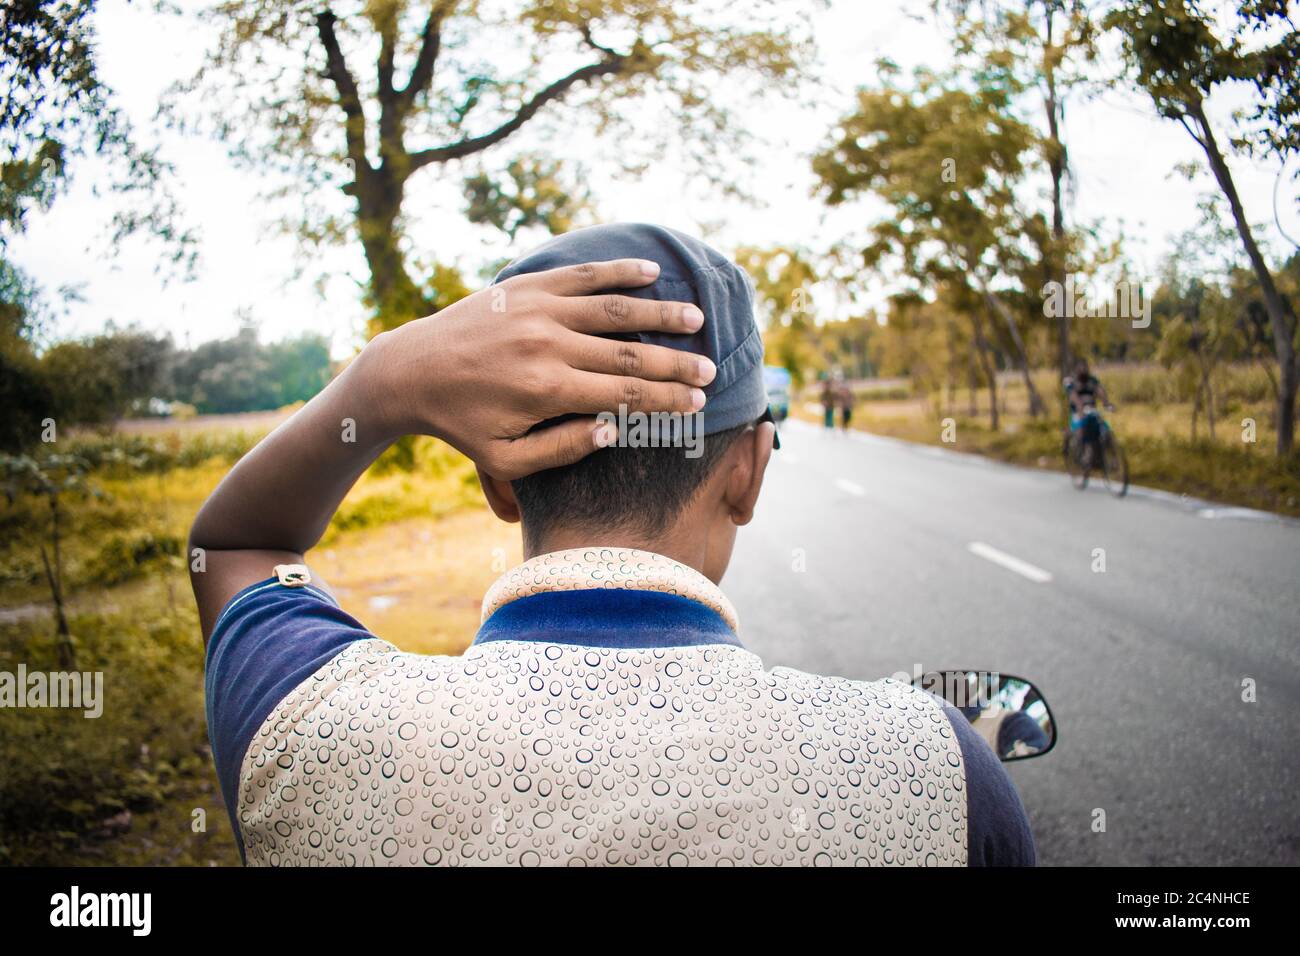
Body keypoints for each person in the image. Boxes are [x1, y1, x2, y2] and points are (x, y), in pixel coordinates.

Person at [193, 223, 1034, 867]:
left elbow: (234, 542)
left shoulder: (309, 731)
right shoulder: (939, 778)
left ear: (497, 479)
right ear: (747, 472)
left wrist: (381, 379)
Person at [1063, 358, 1113, 455]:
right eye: (1080, 367)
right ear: (1076, 369)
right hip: (1078, 413)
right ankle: (1078, 453)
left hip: (1092, 411)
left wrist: (1106, 403)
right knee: (1079, 431)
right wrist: (1079, 407)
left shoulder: (1092, 380)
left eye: (1085, 367)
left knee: (1106, 431)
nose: (1083, 369)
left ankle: (1108, 456)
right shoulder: (1070, 380)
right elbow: (1073, 395)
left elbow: (1100, 391)